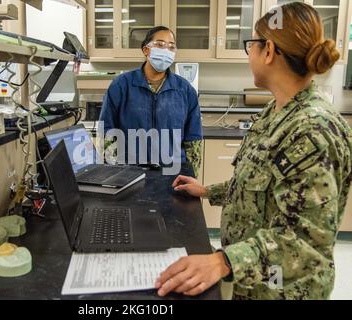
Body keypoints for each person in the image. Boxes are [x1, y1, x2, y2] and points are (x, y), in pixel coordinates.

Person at [155, 2, 352, 300]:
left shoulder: (313, 129)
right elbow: (260, 185)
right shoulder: (277, 110)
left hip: (283, 290)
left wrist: (222, 261)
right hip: (255, 278)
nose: (250, 55)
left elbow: (307, 242)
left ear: (269, 51)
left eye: (252, 46)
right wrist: (209, 191)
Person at [99, 26, 202, 175]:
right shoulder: (121, 86)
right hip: (130, 173)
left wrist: (191, 175)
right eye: (160, 44)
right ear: (146, 50)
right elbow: (107, 131)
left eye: (171, 47)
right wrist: (113, 173)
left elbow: (194, 139)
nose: (166, 50)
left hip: (173, 173)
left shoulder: (184, 90)